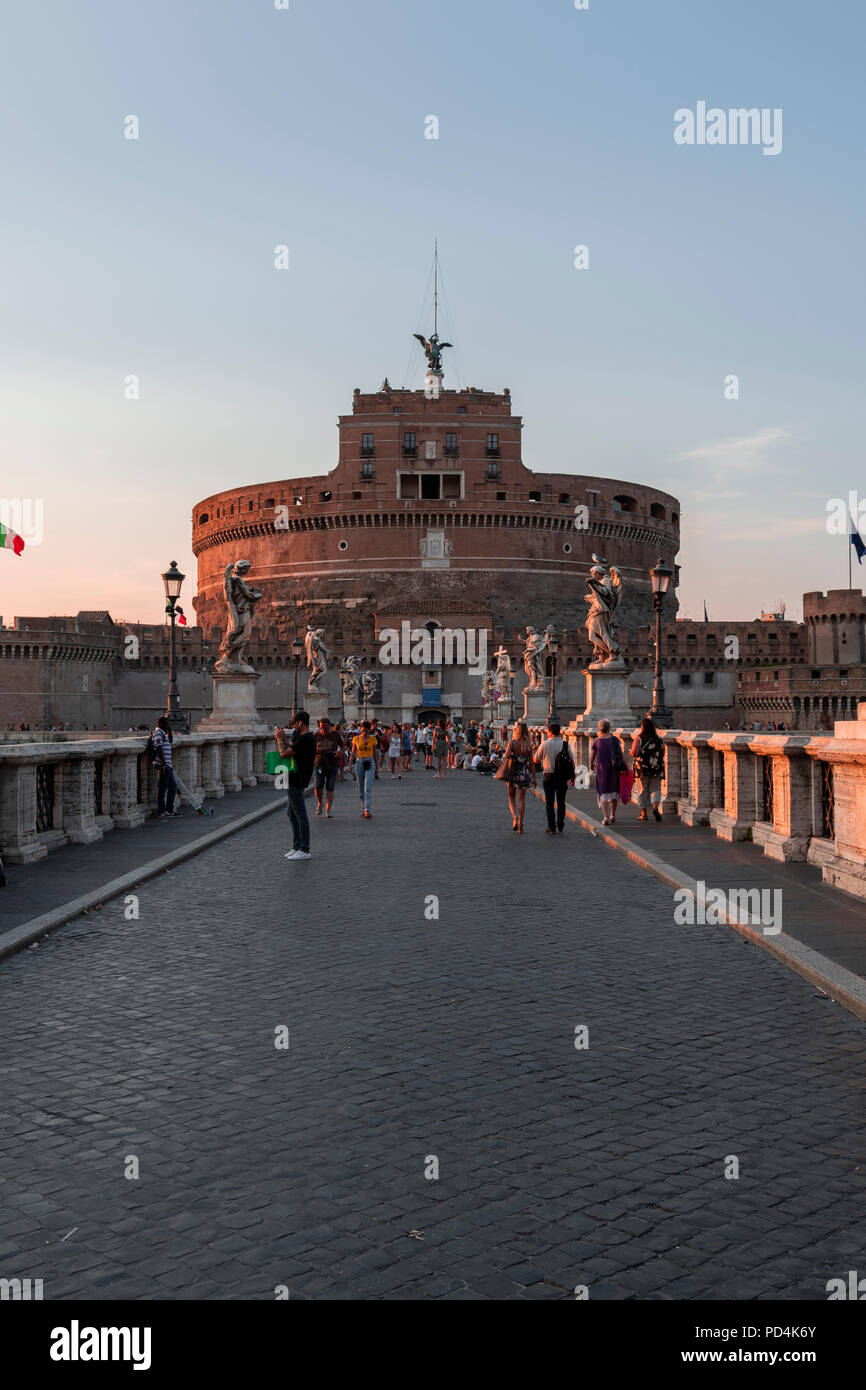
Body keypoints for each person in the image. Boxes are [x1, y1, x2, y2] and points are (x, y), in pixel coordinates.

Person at [276, 710, 316, 859]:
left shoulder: (306, 739)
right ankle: (297, 846)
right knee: (291, 813)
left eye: (294, 723)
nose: (293, 726)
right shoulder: (306, 738)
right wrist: (285, 740)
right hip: (295, 777)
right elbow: (294, 748)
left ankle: (305, 849)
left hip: (297, 778)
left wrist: (279, 740)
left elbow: (284, 753)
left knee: (300, 814)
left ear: (300, 723)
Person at [535, 720, 574, 834]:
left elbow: (536, 760)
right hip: (562, 777)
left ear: (550, 732)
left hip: (549, 776)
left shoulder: (545, 744)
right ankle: (561, 824)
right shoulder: (565, 745)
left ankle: (551, 827)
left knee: (550, 803)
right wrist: (573, 777)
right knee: (561, 802)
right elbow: (571, 762)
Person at [500, 721, 536, 832]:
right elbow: (532, 764)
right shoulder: (529, 746)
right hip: (524, 774)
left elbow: (505, 756)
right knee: (522, 799)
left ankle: (514, 817)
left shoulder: (513, 743)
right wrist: (534, 778)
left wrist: (511, 755)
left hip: (513, 773)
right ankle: (521, 823)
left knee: (511, 796)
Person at [590, 718, 626, 826]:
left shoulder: (596, 741)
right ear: (609, 728)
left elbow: (592, 755)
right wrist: (626, 766)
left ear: (599, 728)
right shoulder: (614, 740)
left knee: (603, 793)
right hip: (614, 769)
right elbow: (621, 754)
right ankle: (613, 815)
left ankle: (605, 817)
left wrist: (590, 764)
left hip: (602, 770)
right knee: (614, 792)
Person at [630, 716, 665, 823]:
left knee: (642, 790)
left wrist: (631, 752)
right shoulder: (659, 739)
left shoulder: (639, 738)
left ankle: (644, 814)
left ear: (642, 727)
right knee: (656, 789)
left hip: (642, 768)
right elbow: (662, 753)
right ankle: (655, 808)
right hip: (656, 767)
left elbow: (635, 753)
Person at [313, 716, 342, 818]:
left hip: (332, 764)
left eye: (325, 728)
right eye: (321, 728)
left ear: (330, 726)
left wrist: (339, 752)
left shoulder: (335, 735)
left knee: (330, 787)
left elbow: (343, 746)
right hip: (319, 763)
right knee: (318, 786)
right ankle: (320, 803)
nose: (323, 730)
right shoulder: (316, 735)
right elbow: (310, 748)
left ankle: (328, 809)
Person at [350, 719, 379, 818]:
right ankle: (363, 808)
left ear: (369, 730)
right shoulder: (356, 739)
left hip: (370, 762)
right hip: (359, 763)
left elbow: (375, 753)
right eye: (363, 730)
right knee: (361, 787)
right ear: (360, 729)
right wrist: (350, 764)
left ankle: (367, 809)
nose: (364, 732)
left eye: (366, 730)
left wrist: (377, 767)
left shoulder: (373, 739)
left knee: (368, 786)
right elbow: (353, 752)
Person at [151, 716, 177, 819]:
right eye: (167, 724)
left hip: (168, 764)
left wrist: (169, 730)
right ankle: (161, 811)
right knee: (162, 788)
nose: (168, 725)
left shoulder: (163, 733)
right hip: (164, 765)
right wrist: (164, 764)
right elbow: (158, 748)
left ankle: (169, 810)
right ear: (161, 724)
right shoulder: (158, 733)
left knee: (173, 787)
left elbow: (170, 740)